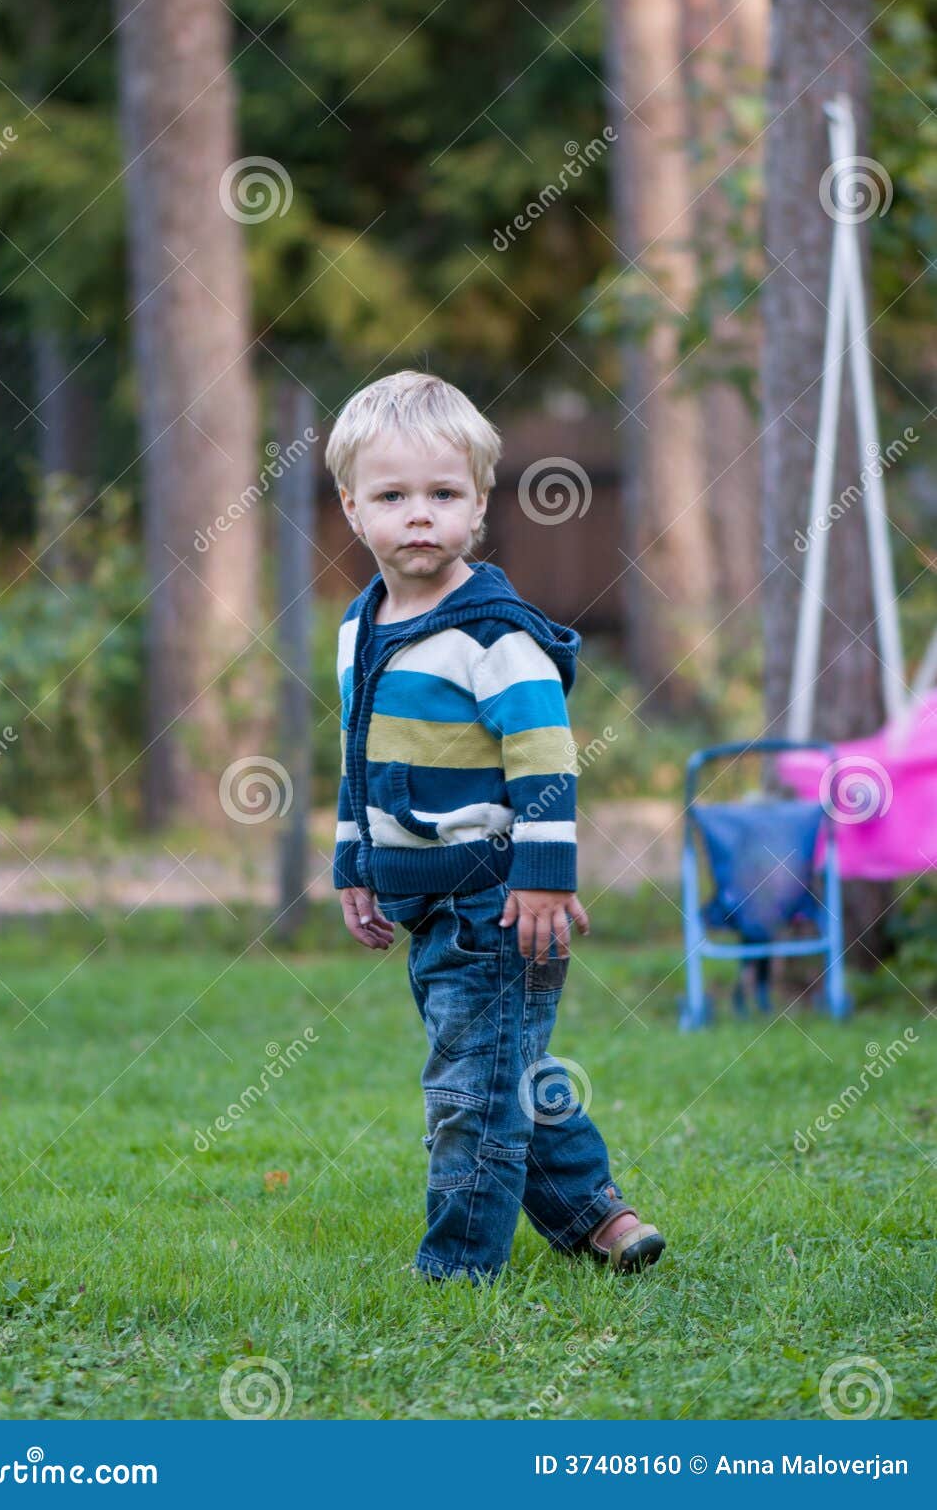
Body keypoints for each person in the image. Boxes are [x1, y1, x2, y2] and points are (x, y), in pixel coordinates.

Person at [324, 371, 665, 1284]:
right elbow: (358, 758)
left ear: (479, 505)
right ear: (353, 508)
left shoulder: (493, 634)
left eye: (443, 494)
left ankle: (457, 1271)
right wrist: (353, 862)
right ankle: (603, 1221)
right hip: (426, 900)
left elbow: (546, 760)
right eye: (393, 496)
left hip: (499, 902)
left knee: (470, 1092)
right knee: (510, 1071)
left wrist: (545, 875)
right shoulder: (362, 627)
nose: (419, 516)